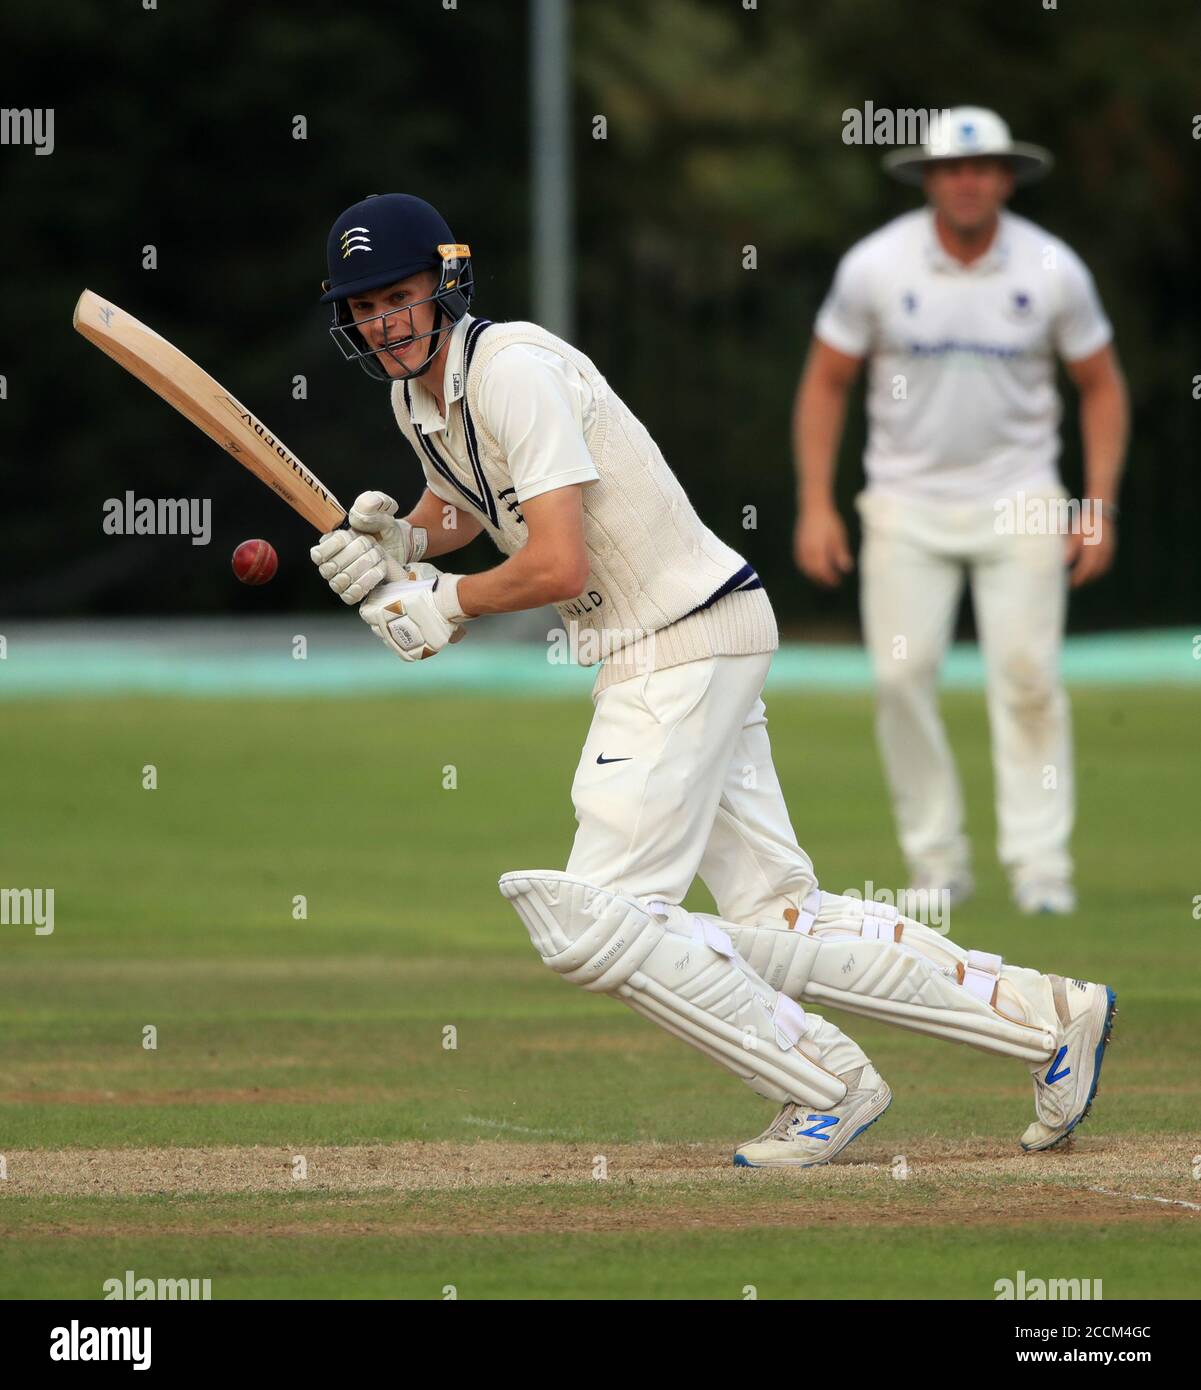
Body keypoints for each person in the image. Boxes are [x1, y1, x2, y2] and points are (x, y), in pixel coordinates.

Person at [309, 192, 1115, 1166]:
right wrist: (402, 537)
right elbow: (470, 504)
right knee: (778, 917)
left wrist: (441, 605)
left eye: (398, 296)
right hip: (692, 631)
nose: (385, 321)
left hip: (675, 638)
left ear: (442, 284)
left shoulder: (512, 369)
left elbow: (557, 563)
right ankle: (1048, 1015)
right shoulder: (416, 398)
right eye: (364, 306)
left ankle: (824, 1082)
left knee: (591, 919)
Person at [794, 107, 1129, 916]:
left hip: (1020, 499)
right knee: (900, 677)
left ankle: (1040, 868)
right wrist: (815, 504)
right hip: (904, 504)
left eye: (981, 169)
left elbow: (1100, 385)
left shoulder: (1052, 269)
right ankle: (935, 863)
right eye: (950, 170)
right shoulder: (877, 266)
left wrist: (1099, 505)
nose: (967, 182)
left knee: (1027, 679)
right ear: (929, 179)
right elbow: (826, 381)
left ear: (1005, 177)